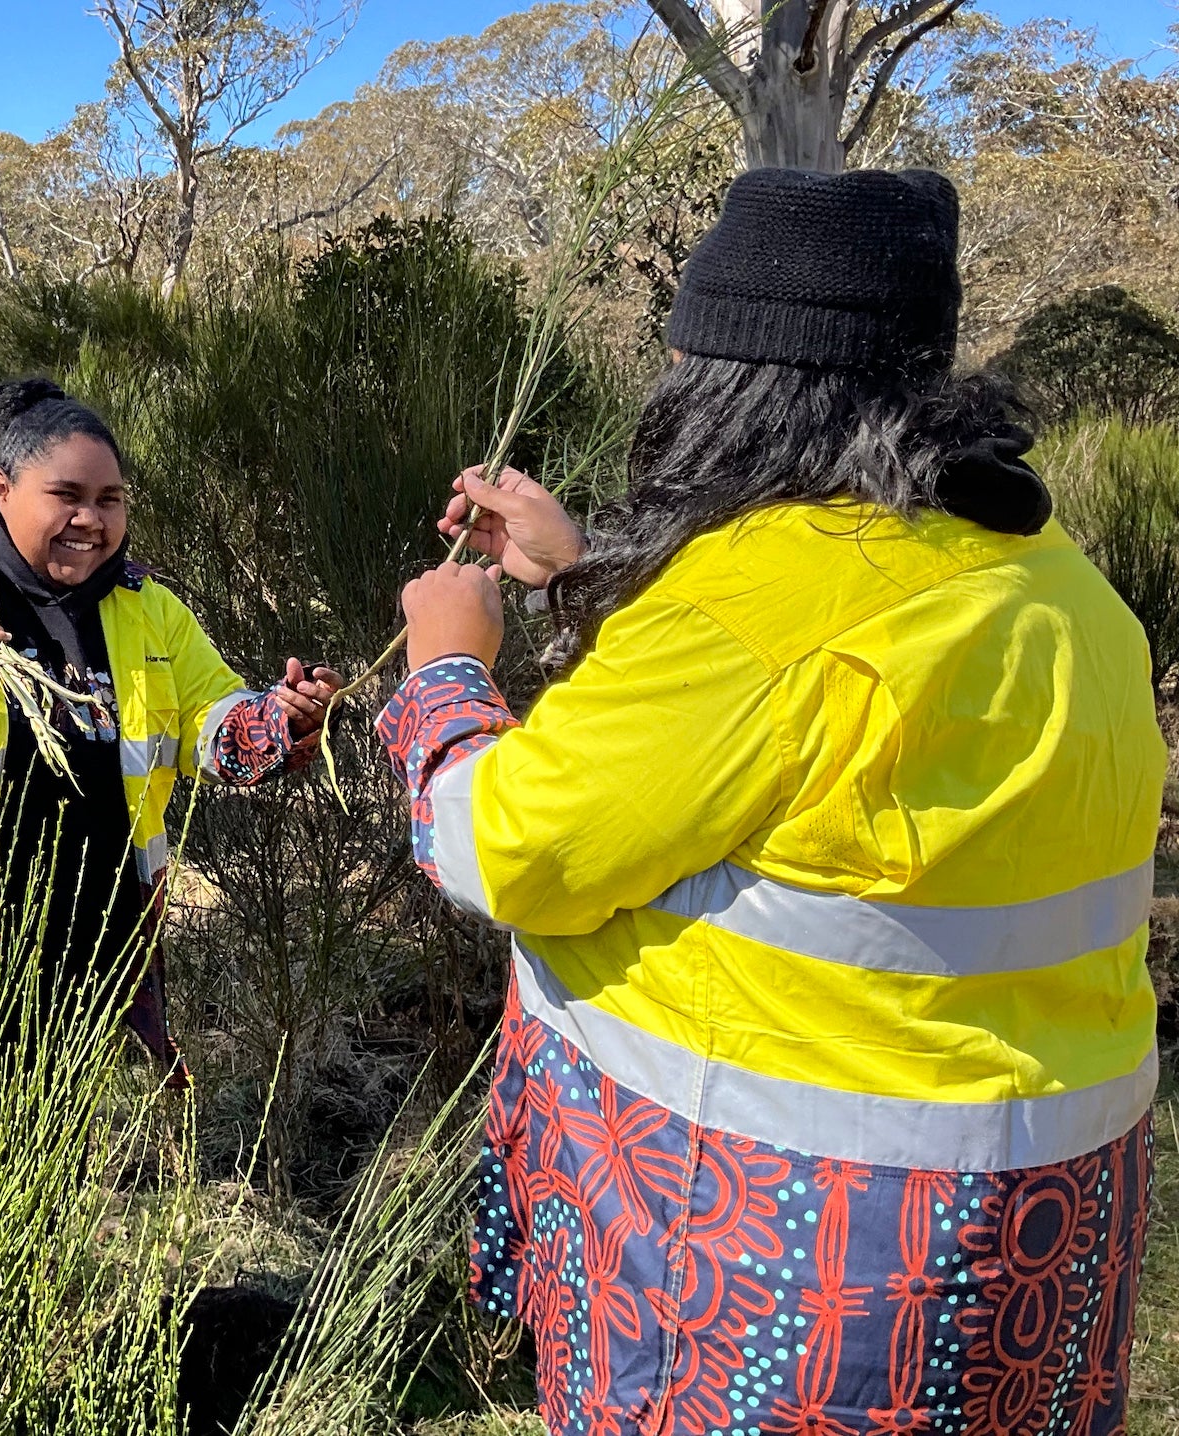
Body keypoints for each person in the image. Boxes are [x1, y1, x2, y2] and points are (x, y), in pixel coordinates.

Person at [380, 168, 1160, 1434]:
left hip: (785, 1261)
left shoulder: (754, 604)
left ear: (733, 381)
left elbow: (503, 845)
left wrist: (447, 664)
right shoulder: (1059, 584)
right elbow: (792, 774)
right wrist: (585, 578)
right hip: (1045, 1240)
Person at [0, 377, 342, 1096]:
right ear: (2, 489)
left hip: (87, 960)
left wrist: (280, 720)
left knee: (41, 1179)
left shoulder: (146, 606)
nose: (91, 521)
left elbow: (213, 725)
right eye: (67, 497)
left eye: (110, 500)